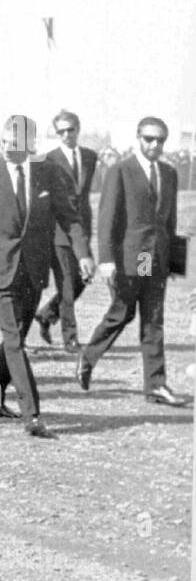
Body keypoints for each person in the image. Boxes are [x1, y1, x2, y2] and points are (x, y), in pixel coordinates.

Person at [0, 114, 93, 437]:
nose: (7, 149)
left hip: (33, 270)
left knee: (14, 337)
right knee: (15, 340)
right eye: (3, 142)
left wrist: (83, 253)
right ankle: (32, 414)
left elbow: (69, 217)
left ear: (31, 146)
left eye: (15, 145)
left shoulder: (47, 174)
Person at [77, 117, 185, 406]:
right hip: (134, 257)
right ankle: (88, 357)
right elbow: (107, 218)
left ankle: (156, 385)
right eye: (149, 138)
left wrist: (174, 260)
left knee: (153, 319)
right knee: (123, 311)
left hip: (155, 258)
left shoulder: (169, 173)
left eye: (160, 140)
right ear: (138, 138)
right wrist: (107, 260)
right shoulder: (121, 171)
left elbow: (169, 220)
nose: (154, 145)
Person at [34, 109, 98, 352]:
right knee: (67, 285)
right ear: (56, 133)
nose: (66, 135)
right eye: (61, 131)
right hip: (59, 230)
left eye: (70, 130)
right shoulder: (48, 159)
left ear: (78, 129)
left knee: (83, 280)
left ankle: (47, 314)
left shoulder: (91, 157)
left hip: (81, 228)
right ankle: (70, 337)